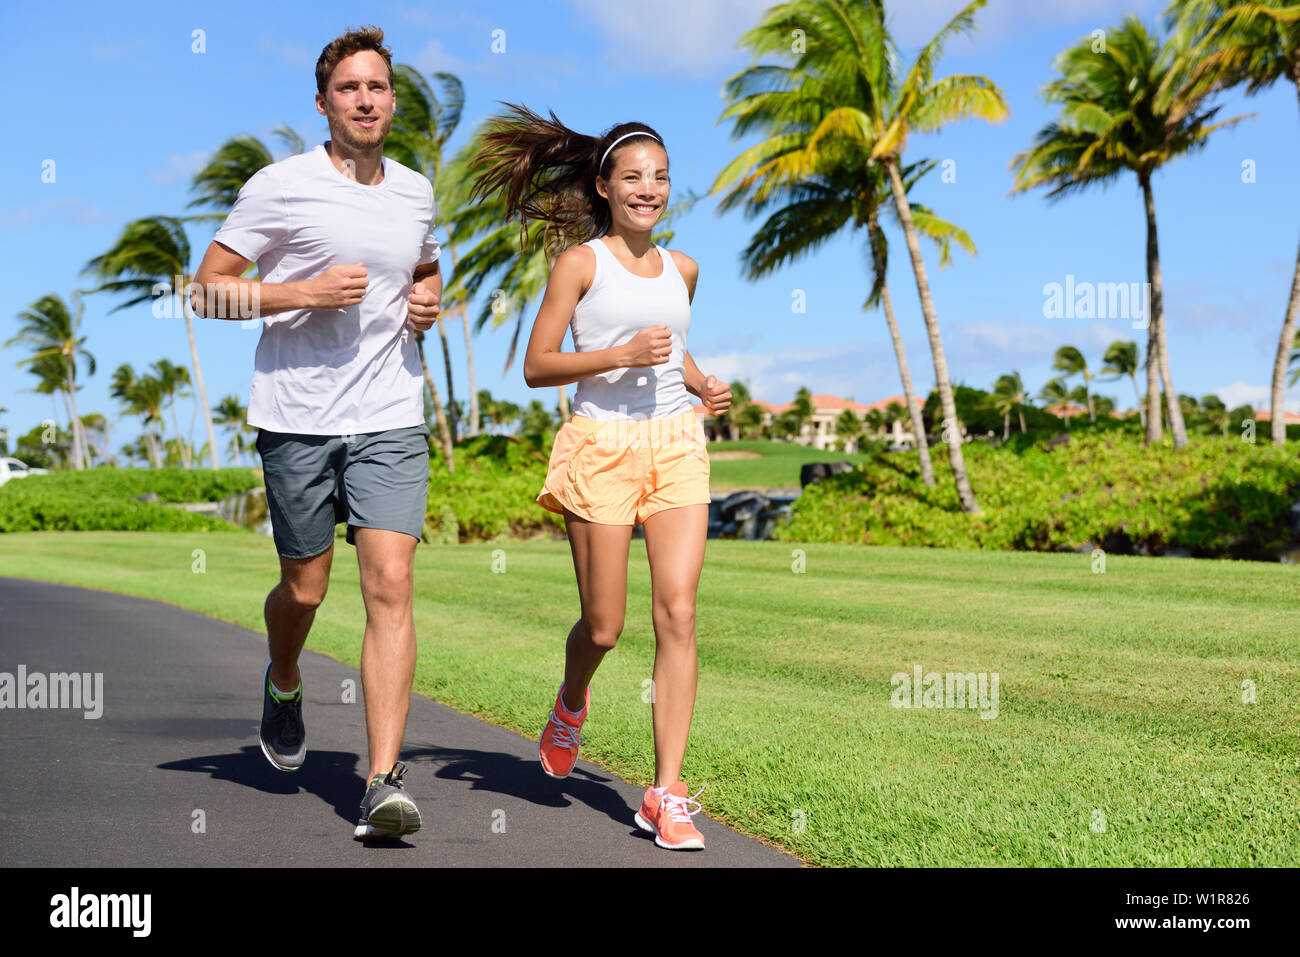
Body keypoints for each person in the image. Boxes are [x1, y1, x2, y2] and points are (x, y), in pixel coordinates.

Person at [190, 25, 441, 841]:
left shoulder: (414, 190)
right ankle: (286, 675)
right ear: (324, 103)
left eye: (377, 87)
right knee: (305, 588)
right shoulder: (281, 186)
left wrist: (427, 302)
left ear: (392, 100)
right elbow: (206, 293)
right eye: (348, 89)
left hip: (391, 415)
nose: (365, 100)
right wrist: (301, 292)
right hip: (297, 417)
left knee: (391, 585)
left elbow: (423, 264)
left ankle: (382, 781)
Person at [470, 105, 732, 850]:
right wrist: (619, 354)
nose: (649, 188)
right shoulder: (581, 263)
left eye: (661, 177)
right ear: (605, 187)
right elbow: (536, 364)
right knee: (606, 624)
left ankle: (666, 792)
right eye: (634, 177)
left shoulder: (684, 268)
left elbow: (673, 347)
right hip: (601, 448)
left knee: (678, 613)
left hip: (676, 443)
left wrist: (702, 382)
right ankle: (571, 698)